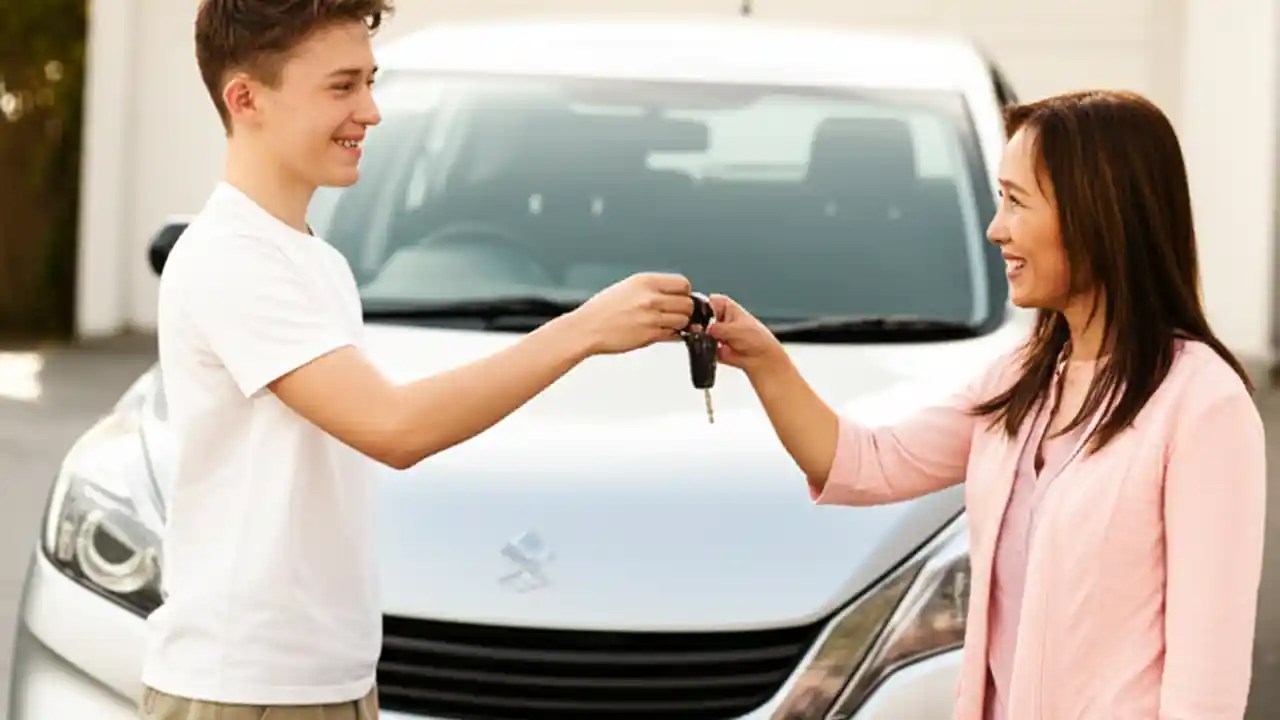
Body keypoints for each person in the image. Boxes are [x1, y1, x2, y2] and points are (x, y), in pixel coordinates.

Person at [139, 1, 695, 718]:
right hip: (243, 691)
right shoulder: (230, 260)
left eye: (370, 82)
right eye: (342, 87)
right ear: (244, 97)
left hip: (326, 682)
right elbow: (394, 428)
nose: (370, 111)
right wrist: (582, 330)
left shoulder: (315, 261)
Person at [707, 89, 1266, 719]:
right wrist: (762, 358)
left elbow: (1206, 686)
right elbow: (869, 463)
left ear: (1097, 215)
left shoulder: (1201, 404)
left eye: (1017, 201)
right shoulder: (1025, 379)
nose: (996, 228)